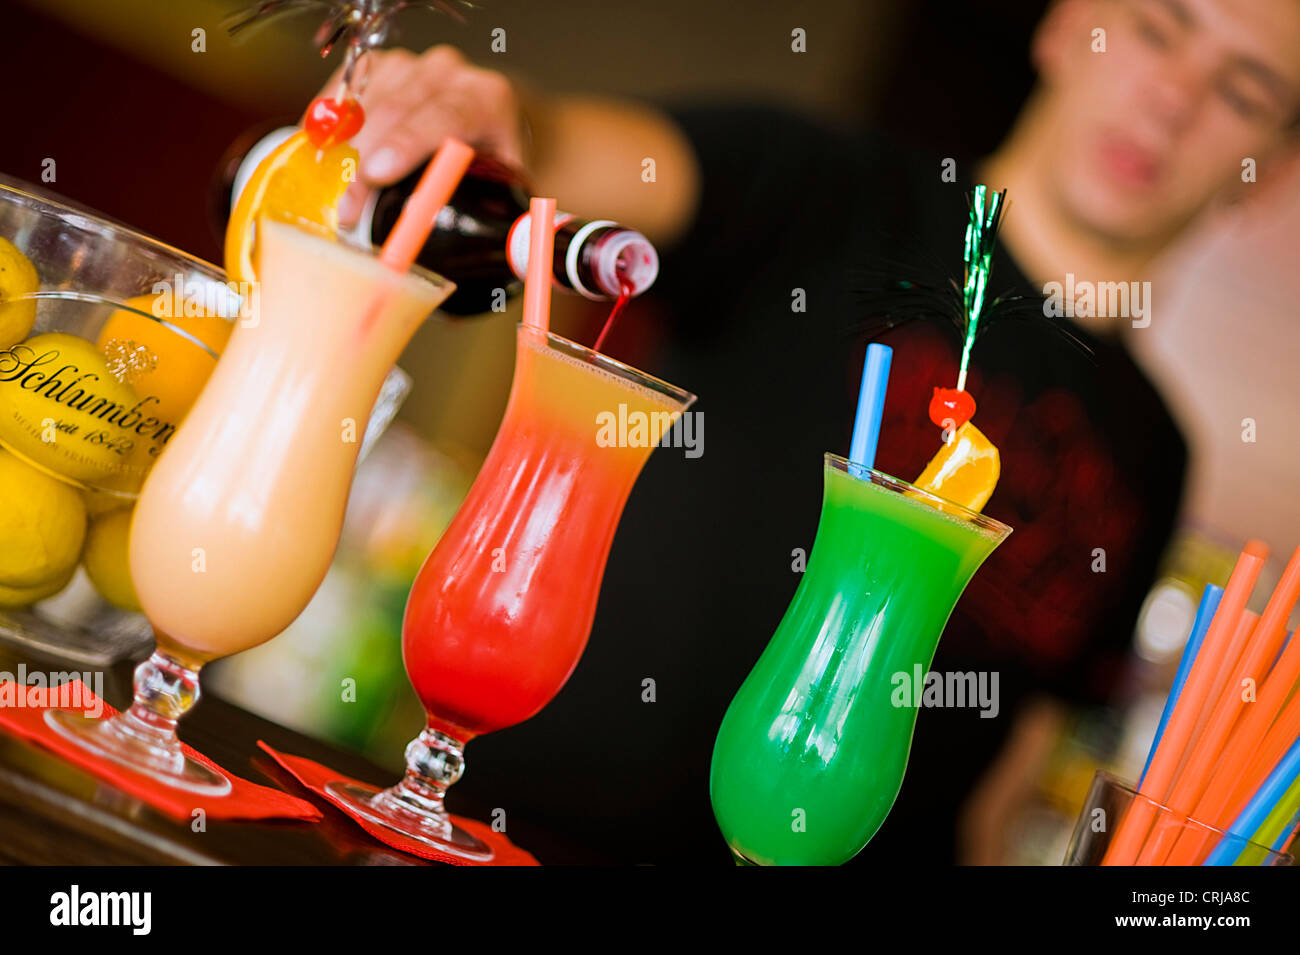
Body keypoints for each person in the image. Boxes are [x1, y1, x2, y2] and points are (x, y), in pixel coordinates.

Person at [316, 0, 1300, 863]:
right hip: (525, 841)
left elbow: (1014, 769)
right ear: (1062, 23)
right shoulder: (823, 190)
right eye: (1154, 28)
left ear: (1263, 168)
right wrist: (488, 121)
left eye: (1243, 91)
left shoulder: (1154, 452)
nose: (1175, 97)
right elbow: (562, 148)